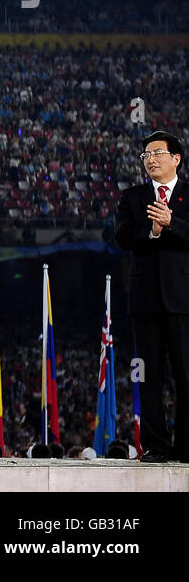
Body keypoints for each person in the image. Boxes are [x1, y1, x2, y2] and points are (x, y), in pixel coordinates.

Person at [115, 130, 189, 462]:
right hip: (144, 302)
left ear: (176, 158)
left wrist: (172, 223)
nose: (151, 160)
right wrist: (152, 231)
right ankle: (157, 447)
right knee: (148, 377)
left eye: (157, 153)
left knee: (186, 376)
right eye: (145, 155)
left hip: (183, 301)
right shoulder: (131, 197)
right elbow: (122, 238)